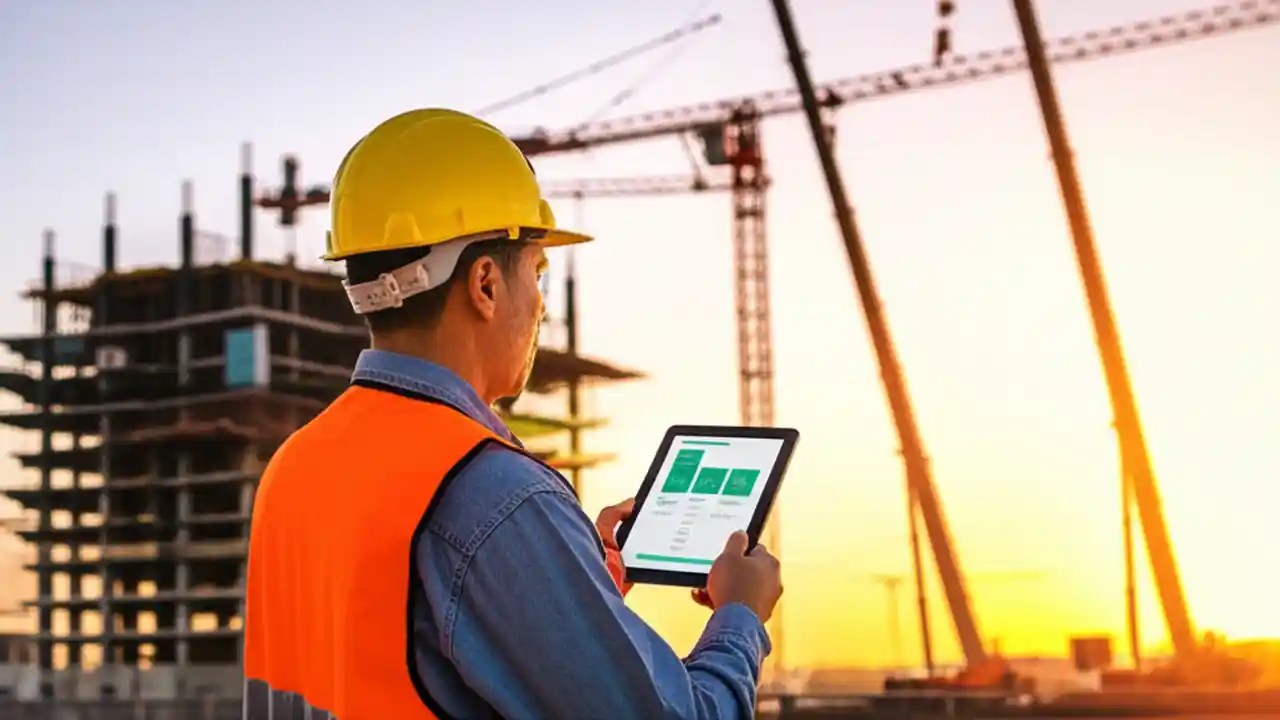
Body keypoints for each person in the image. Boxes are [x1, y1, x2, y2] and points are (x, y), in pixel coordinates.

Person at [242, 108, 783, 720]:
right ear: (485, 284)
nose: (541, 307)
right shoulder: (499, 497)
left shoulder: (295, 465)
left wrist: (574, 580)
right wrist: (741, 616)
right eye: (537, 271)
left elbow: (391, 642)